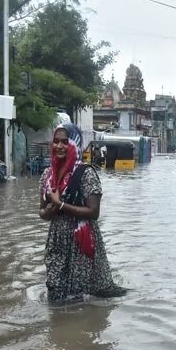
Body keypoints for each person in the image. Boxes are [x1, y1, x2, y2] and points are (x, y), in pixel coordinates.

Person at [39, 123, 127, 302]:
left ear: (74, 144)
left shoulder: (86, 173)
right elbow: (42, 212)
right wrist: (50, 209)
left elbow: (93, 212)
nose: (59, 146)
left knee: (82, 295)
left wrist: (60, 205)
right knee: (54, 291)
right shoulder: (47, 176)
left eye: (65, 142)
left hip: (81, 241)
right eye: (56, 142)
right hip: (57, 240)